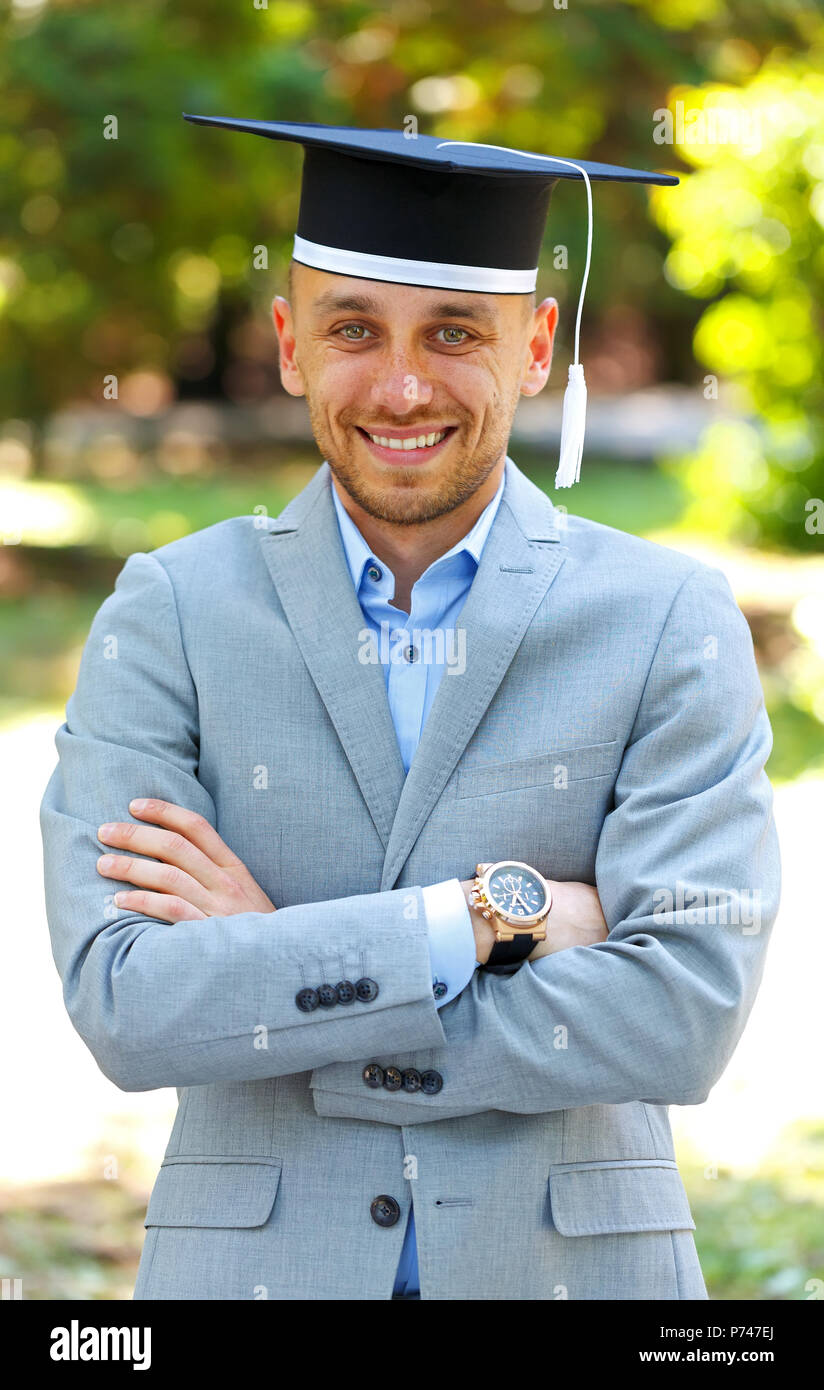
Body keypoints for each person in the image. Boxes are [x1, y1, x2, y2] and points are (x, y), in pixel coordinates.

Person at [39, 119, 780, 1300]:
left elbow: (678, 1016)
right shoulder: (171, 611)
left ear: (533, 346)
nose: (399, 386)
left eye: (452, 333)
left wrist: (274, 960)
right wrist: (477, 922)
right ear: (287, 343)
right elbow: (130, 1003)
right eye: (350, 329)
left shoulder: (663, 617)